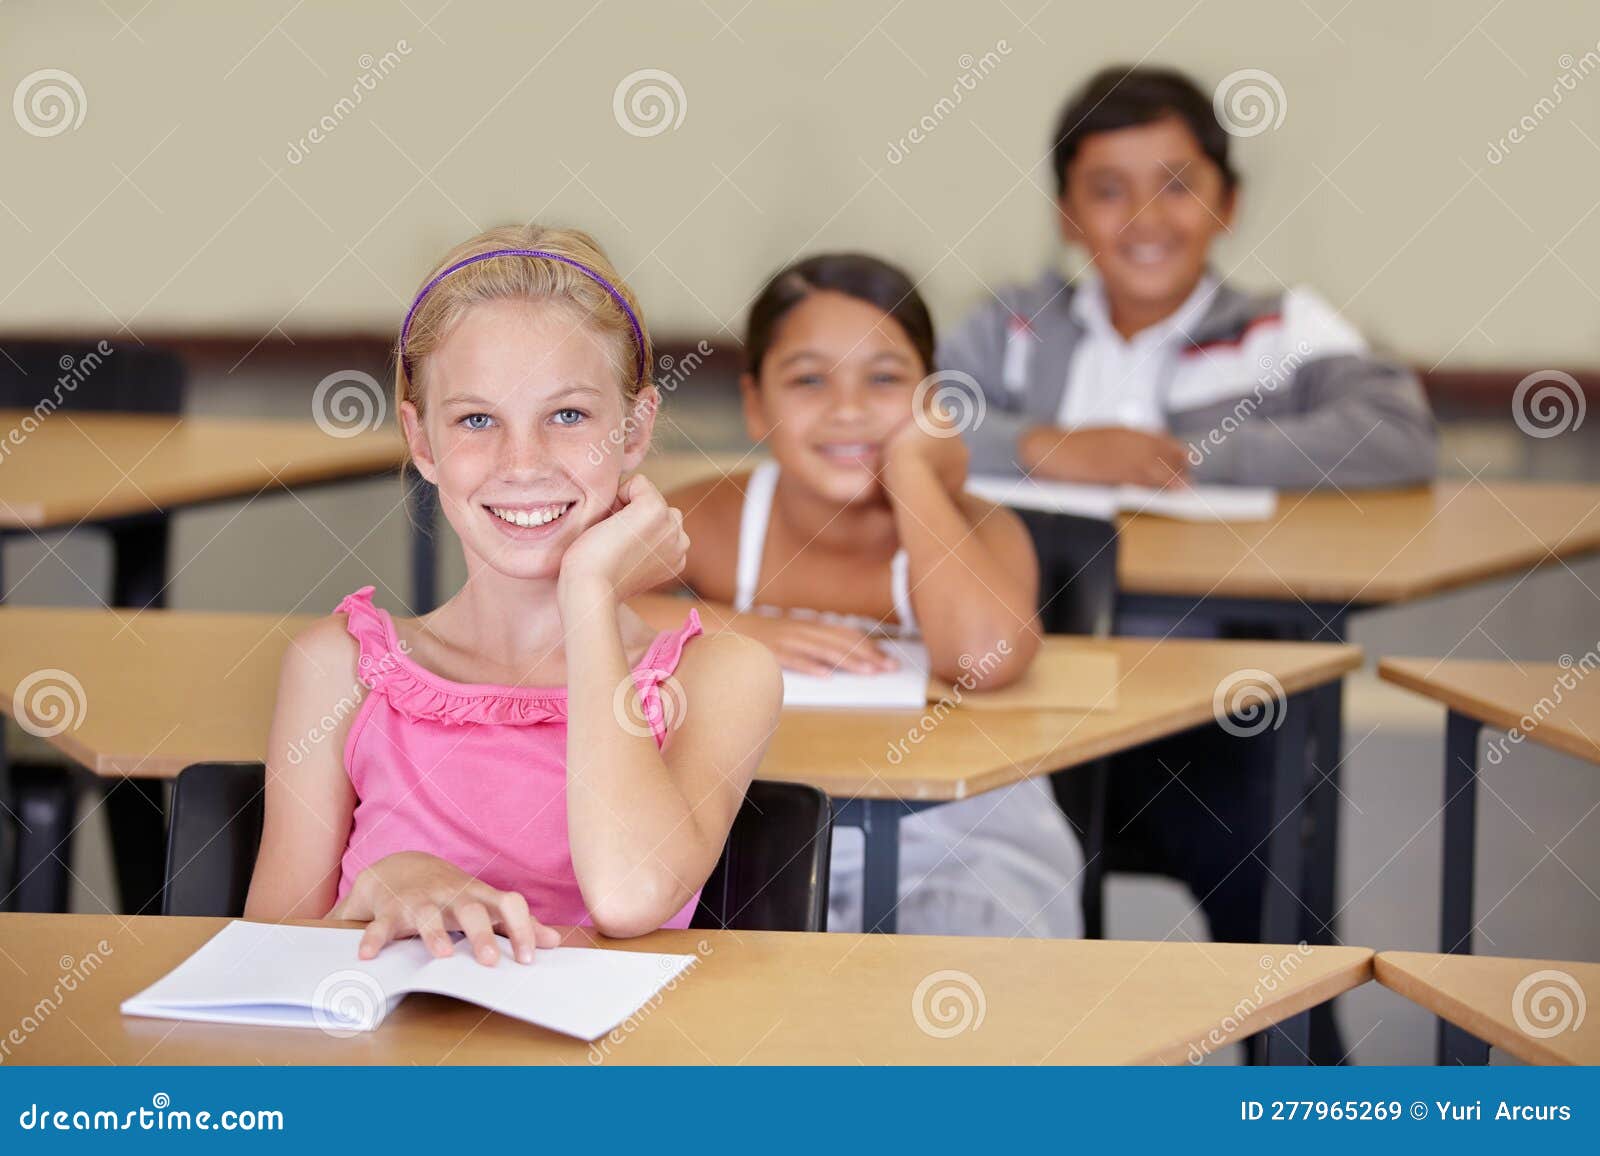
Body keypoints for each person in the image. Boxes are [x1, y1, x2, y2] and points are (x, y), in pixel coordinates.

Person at [244, 225, 783, 965]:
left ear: (634, 432)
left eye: (568, 415)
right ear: (422, 442)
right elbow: (260, 970)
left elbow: (628, 896)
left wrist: (588, 593)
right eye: (475, 419)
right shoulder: (337, 670)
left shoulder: (719, 678)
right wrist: (390, 881)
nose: (522, 463)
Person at [632, 253, 1084, 938]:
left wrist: (914, 473)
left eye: (884, 379)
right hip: (759, 848)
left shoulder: (981, 528)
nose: (847, 410)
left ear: (933, 400)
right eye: (809, 379)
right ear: (756, 404)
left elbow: (985, 659)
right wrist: (738, 627)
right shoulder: (721, 518)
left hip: (961, 852)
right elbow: (571, 608)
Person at [941, 64, 1436, 491]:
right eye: (1109, 191)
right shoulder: (1012, 328)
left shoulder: (1285, 329)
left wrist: (1183, 459)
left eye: (1177, 187)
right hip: (1042, 603)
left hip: (1233, 599)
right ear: (1067, 217)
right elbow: (912, 422)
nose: (1146, 219)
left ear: (1227, 205)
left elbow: (1398, 435)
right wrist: (1045, 449)